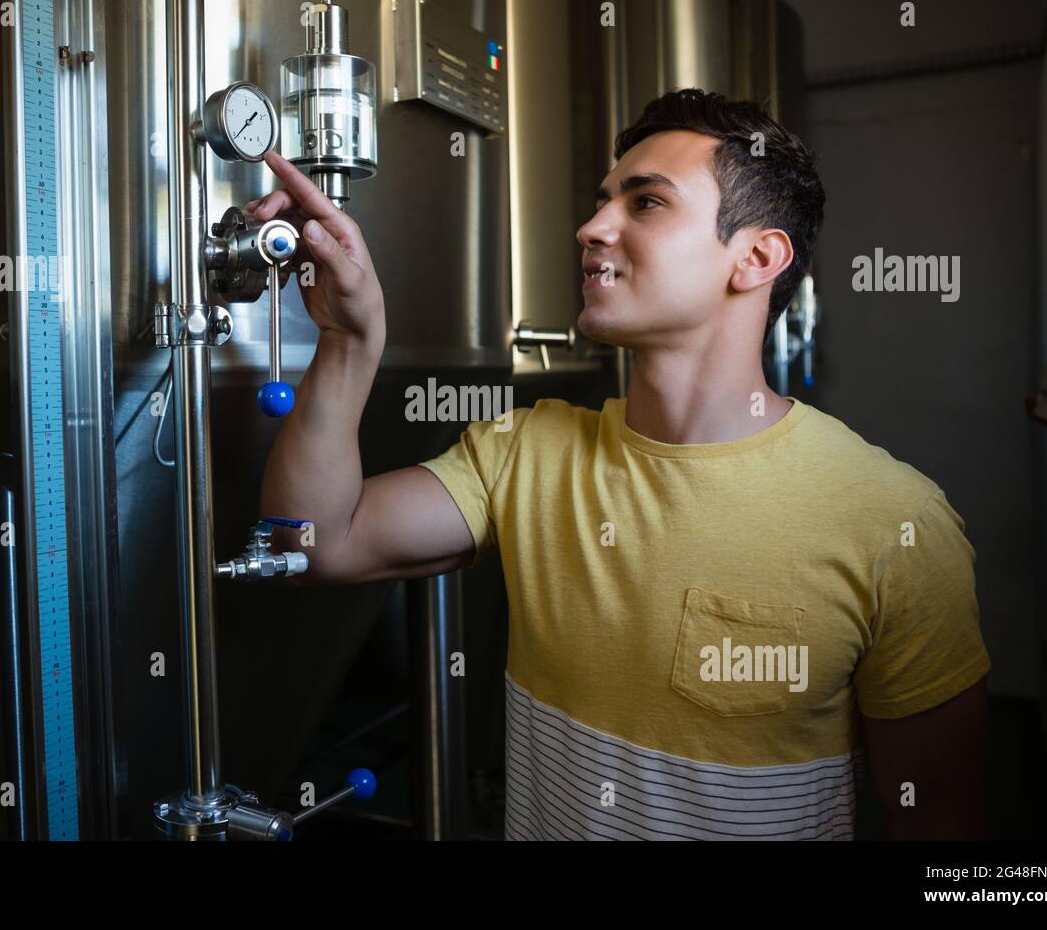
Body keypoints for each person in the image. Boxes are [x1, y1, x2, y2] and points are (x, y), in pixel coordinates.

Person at [251, 88, 990, 841]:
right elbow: (312, 545)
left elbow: (936, 814)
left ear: (757, 257)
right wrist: (348, 341)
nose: (590, 226)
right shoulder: (526, 452)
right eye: (604, 200)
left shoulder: (895, 521)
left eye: (645, 204)